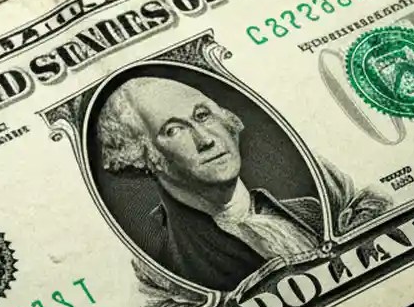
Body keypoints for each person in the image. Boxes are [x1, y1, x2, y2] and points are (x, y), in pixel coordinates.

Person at [96, 75, 323, 291]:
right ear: (142, 155)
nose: (206, 140)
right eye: (173, 130)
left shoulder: (311, 213)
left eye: (202, 116)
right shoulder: (175, 272)